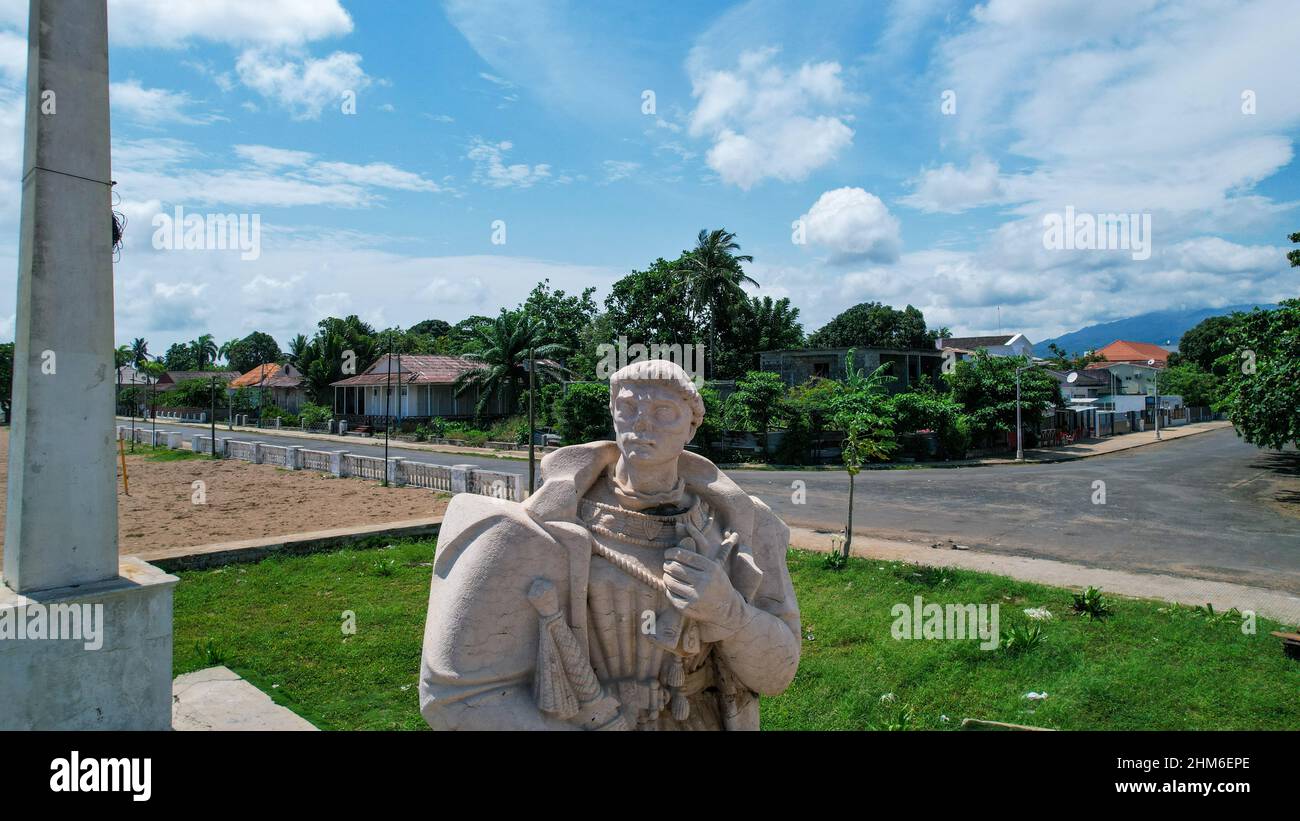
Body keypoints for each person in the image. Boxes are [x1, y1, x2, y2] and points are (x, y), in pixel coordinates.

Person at [419, 359, 800, 730]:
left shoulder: (741, 527)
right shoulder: (546, 528)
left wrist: (730, 613)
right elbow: (457, 695)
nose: (642, 423)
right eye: (628, 408)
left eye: (664, 411)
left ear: (691, 428)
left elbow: (777, 677)